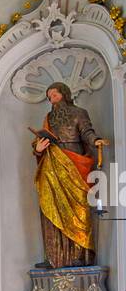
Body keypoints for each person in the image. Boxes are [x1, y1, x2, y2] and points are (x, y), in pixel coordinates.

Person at [29, 82, 99, 268]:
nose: (52, 99)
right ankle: (54, 257)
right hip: (52, 165)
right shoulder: (49, 117)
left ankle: (79, 255)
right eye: (49, 97)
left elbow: (87, 132)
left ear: (65, 94)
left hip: (74, 163)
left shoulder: (79, 112)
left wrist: (96, 140)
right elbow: (38, 144)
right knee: (51, 208)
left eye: (55, 95)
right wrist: (38, 148)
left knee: (79, 210)